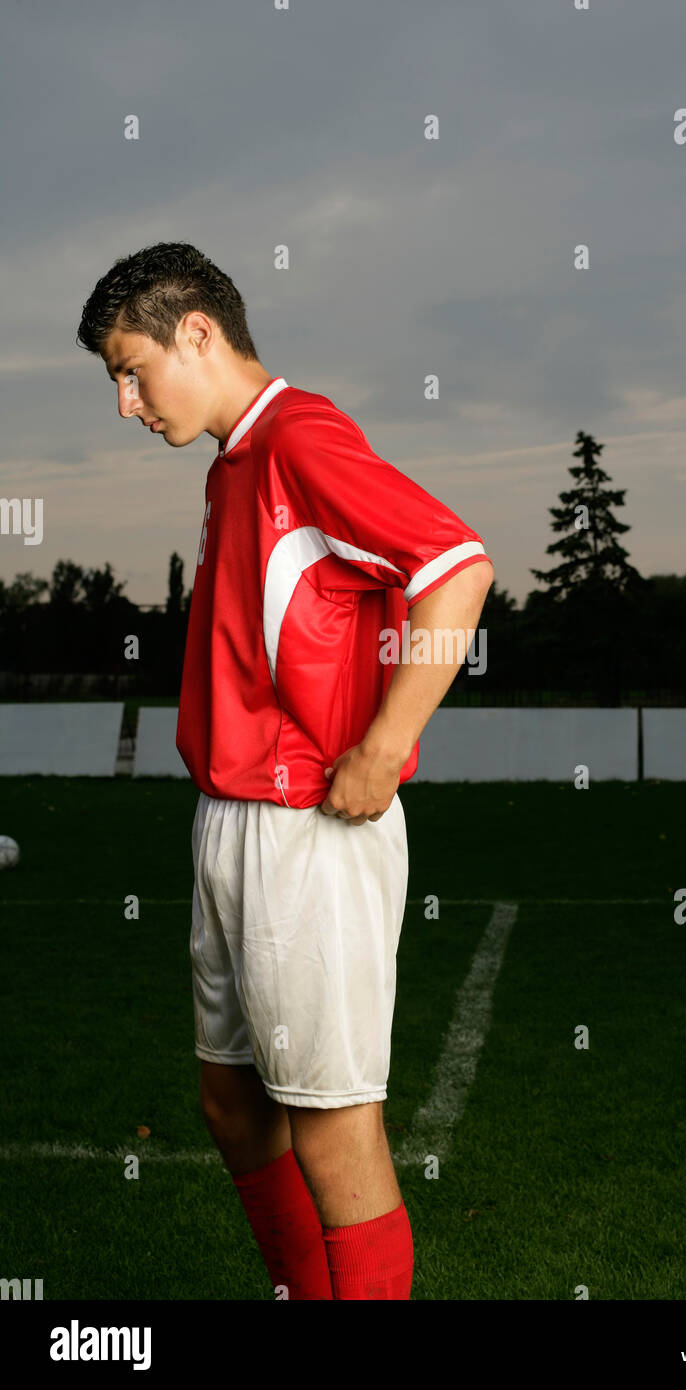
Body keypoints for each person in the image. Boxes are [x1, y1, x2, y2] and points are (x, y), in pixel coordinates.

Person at [76, 242, 494, 1300]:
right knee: (232, 1104)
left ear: (199, 333)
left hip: (305, 828)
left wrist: (386, 742)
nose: (126, 403)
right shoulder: (235, 463)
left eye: (133, 371)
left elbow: (455, 568)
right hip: (228, 820)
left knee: (330, 1124)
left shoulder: (302, 439)